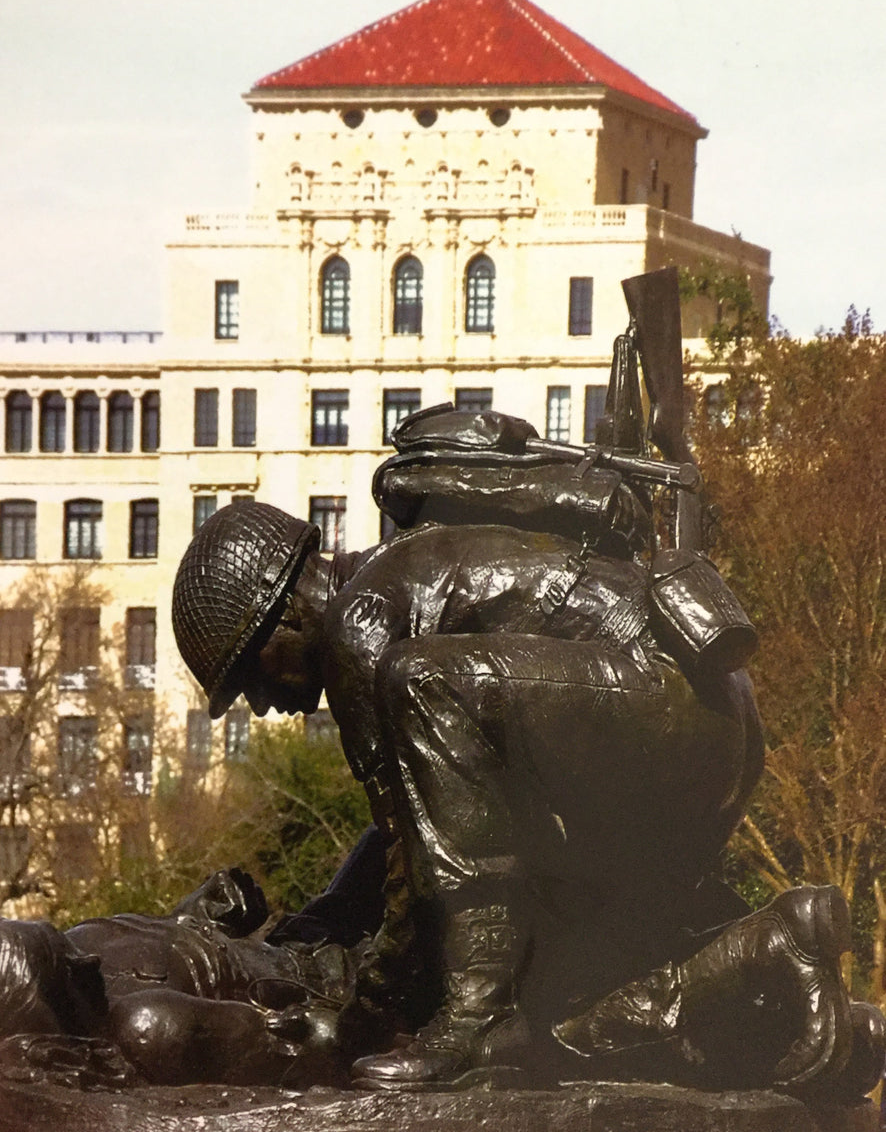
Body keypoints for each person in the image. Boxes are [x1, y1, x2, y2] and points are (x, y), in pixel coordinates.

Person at [170, 412, 881, 1097]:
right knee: (568, 1012)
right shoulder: (399, 574)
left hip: (661, 701)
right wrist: (328, 918)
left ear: (288, 609)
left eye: (252, 674)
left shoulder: (359, 626)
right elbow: (416, 829)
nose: (263, 704)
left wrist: (365, 997)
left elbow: (410, 872)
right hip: (708, 714)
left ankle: (481, 1024)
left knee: (423, 682)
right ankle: (775, 950)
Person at [0, 846, 386, 1089]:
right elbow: (323, 1040)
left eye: (61, 937)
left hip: (306, 933)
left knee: (395, 810)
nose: (91, 958)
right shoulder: (148, 1024)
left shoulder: (84, 939)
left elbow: (169, 934)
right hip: (357, 973)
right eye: (71, 971)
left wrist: (203, 910)